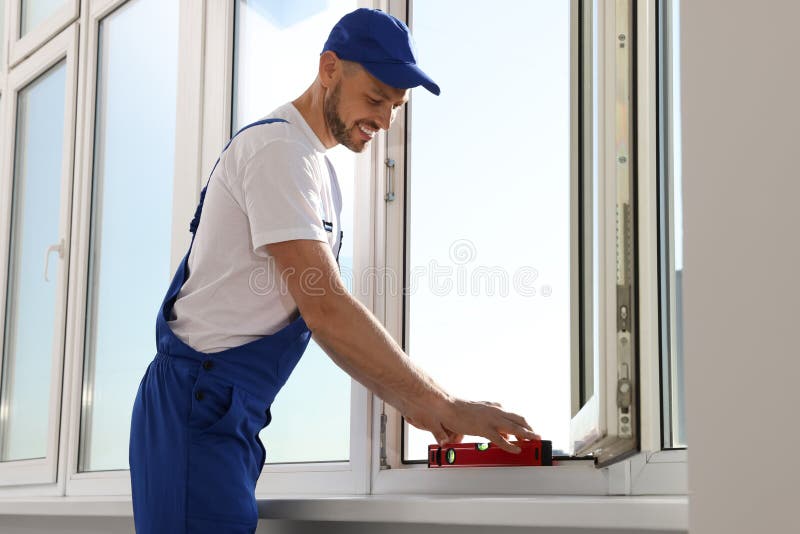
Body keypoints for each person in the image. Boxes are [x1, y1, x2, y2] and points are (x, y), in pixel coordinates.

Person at [129, 8, 541, 533]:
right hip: (197, 404)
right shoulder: (280, 152)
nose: (385, 121)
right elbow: (325, 307)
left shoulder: (312, 167)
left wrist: (415, 405)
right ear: (329, 69)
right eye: (375, 99)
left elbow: (322, 313)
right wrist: (441, 403)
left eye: (396, 107)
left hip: (224, 408)